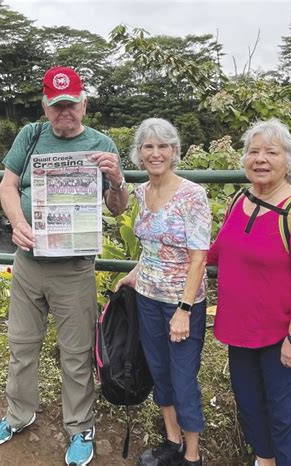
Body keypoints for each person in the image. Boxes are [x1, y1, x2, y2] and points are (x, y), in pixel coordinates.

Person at [0, 66, 128, 466]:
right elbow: (7, 185)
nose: (65, 112)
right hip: (28, 263)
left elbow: (118, 208)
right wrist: (18, 224)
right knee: (21, 345)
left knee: (77, 352)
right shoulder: (29, 137)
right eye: (57, 105)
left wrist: (115, 180)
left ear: (84, 103)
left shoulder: (101, 144)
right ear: (46, 106)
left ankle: (80, 427)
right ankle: (18, 415)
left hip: (75, 267)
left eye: (71, 104)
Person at [207, 119, 291, 466]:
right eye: (253, 151)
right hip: (241, 332)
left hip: (283, 336)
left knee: (289, 417)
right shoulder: (239, 201)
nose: (260, 159)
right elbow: (215, 252)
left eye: (271, 152)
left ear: (288, 162)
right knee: (251, 408)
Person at [117, 118, 211, 466]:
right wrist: (133, 274)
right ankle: (171, 441)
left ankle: (192, 454)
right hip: (147, 296)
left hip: (180, 301)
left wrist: (184, 309)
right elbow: (152, 248)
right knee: (158, 369)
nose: (155, 153)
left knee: (183, 376)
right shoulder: (141, 191)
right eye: (148, 147)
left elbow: (199, 257)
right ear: (139, 153)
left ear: (174, 151)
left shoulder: (192, 195)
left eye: (163, 146)